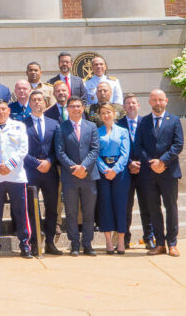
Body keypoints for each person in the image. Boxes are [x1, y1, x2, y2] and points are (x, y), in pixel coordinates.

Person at [136, 88, 185, 257]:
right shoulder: (143, 122)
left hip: (169, 172)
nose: (158, 103)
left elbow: (178, 145)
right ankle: (160, 243)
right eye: (154, 100)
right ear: (150, 102)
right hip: (149, 174)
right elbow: (139, 145)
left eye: (161, 100)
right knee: (153, 209)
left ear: (166, 101)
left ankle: (172, 243)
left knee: (171, 207)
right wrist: (152, 163)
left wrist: (162, 161)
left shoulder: (174, 120)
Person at [0, 99, 32, 259]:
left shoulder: (19, 126)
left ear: (9, 111)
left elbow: (24, 148)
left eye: (4, 109)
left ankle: (25, 245)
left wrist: (9, 165)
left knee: (21, 212)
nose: (1, 112)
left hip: (16, 175)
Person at [54, 96, 100, 256]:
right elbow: (59, 152)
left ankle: (87, 244)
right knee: (71, 212)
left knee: (88, 212)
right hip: (70, 176)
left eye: (78, 106)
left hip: (89, 176)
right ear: (67, 109)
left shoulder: (92, 126)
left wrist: (84, 166)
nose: (75, 109)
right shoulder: (62, 127)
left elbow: (95, 149)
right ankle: (74, 244)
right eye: (72, 106)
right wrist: (73, 167)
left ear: (82, 108)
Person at [23, 90, 61, 255]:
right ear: (29, 104)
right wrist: (35, 163)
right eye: (34, 100)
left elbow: (58, 148)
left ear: (45, 104)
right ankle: (35, 242)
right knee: (32, 208)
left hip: (50, 172)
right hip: (30, 171)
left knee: (52, 207)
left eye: (40, 100)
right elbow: (20, 149)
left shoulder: (54, 124)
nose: (37, 102)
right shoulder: (21, 124)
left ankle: (50, 242)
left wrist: (49, 161)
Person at [93, 101, 131, 254]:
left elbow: (125, 153)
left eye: (108, 112)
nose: (106, 115)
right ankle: (108, 241)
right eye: (103, 113)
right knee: (105, 206)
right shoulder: (97, 132)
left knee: (121, 206)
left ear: (114, 114)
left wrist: (115, 169)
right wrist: (104, 169)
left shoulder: (122, 131)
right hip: (103, 172)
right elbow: (95, 152)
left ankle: (120, 241)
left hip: (120, 172)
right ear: (100, 116)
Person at [119, 93, 154, 249]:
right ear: (124, 107)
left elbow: (151, 146)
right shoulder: (118, 124)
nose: (131, 106)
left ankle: (149, 237)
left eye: (134, 103)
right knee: (126, 205)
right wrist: (129, 163)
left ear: (138, 105)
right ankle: (125, 238)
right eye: (128, 103)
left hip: (144, 171)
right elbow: (117, 148)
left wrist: (141, 163)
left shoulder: (146, 123)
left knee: (147, 205)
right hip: (125, 171)